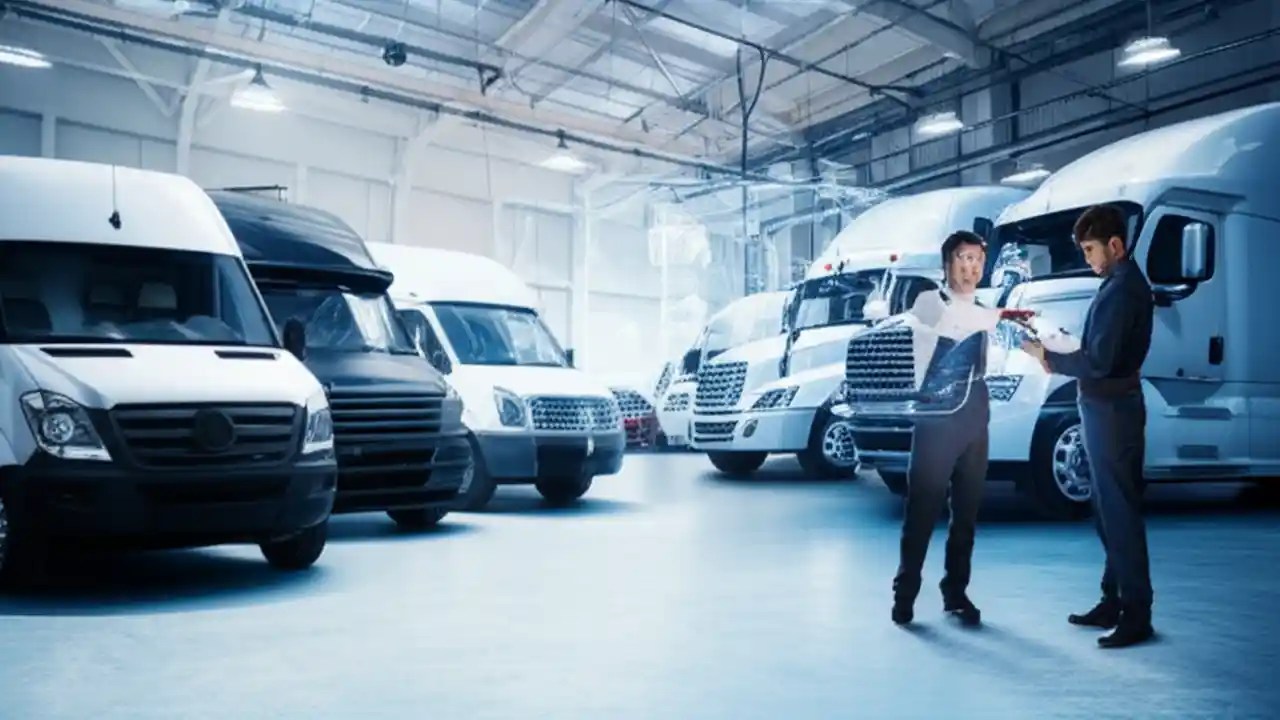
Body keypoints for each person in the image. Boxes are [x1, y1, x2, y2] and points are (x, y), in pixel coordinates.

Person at [1021, 204, 1156, 649]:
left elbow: (1098, 361)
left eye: (1091, 249)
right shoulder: (1119, 284)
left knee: (1118, 512)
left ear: (1115, 246)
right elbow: (1102, 352)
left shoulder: (1121, 290)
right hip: (1110, 408)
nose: (1087, 258)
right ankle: (1113, 600)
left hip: (1111, 412)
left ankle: (1135, 613)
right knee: (1107, 508)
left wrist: (1049, 358)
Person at [891, 230, 1033, 627]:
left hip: (974, 416)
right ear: (946, 264)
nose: (970, 268)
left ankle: (955, 592)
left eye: (976, 260)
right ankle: (905, 594)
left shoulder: (984, 307)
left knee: (966, 514)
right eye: (962, 259)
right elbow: (939, 333)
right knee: (921, 511)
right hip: (936, 418)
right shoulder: (929, 303)